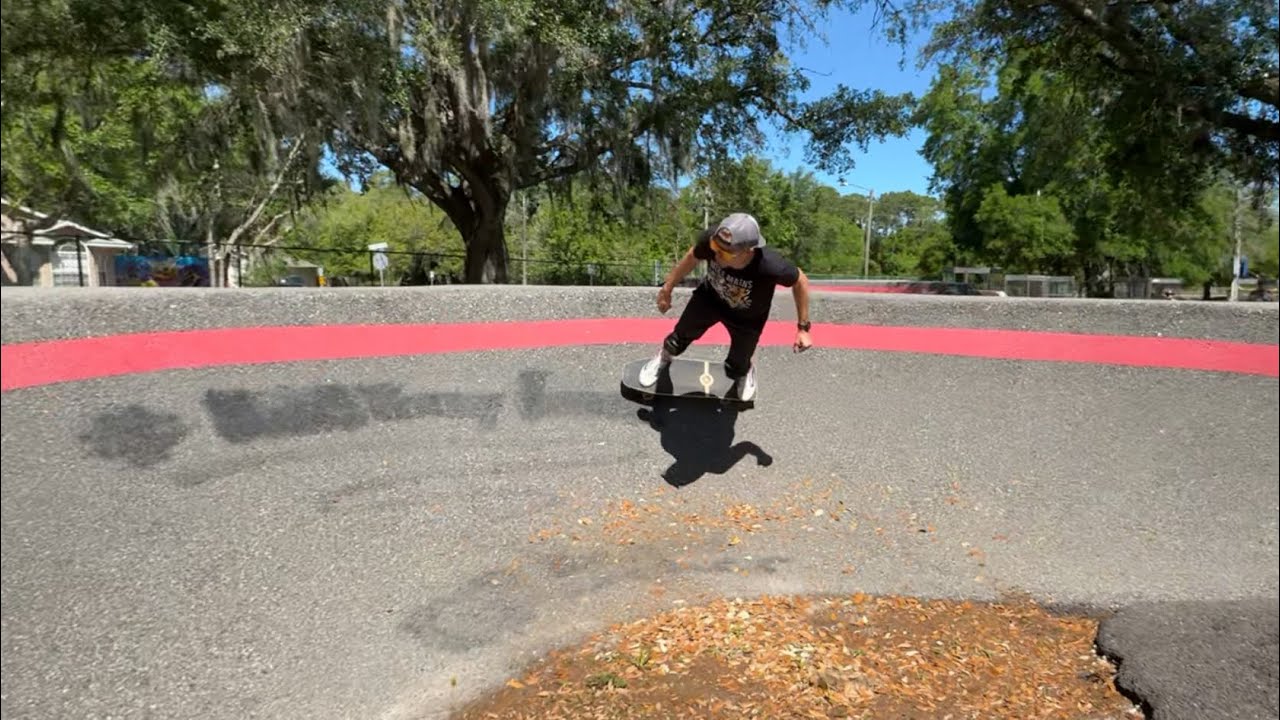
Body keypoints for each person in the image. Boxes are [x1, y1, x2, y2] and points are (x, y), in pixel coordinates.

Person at [639, 212, 812, 401]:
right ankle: (664, 358)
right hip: (709, 299)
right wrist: (667, 288)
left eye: (726, 253)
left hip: (747, 318)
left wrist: (803, 328)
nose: (716, 255)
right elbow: (692, 256)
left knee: (737, 366)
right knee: (677, 339)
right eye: (715, 248)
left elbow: (800, 280)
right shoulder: (714, 241)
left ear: (749, 250)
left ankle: (746, 371)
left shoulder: (770, 265)